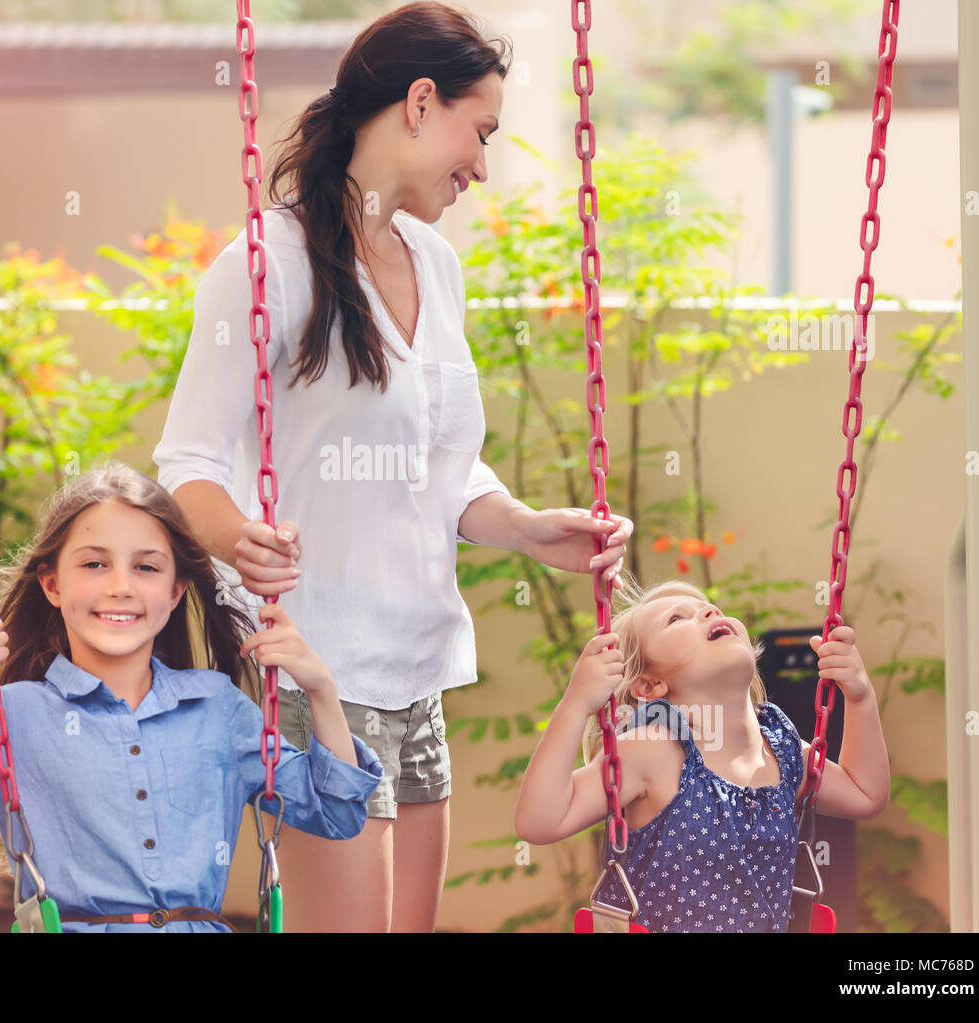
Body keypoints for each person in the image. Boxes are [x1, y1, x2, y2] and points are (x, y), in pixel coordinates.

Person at [152, 1, 632, 932]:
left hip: (417, 667)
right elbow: (190, 463)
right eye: (479, 131)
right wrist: (239, 540)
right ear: (420, 102)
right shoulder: (268, 262)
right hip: (318, 668)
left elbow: (444, 467)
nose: (482, 165)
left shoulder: (436, 263)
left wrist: (531, 529)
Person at [0, 461, 384, 932]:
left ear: (174, 592)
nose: (120, 585)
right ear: (53, 585)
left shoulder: (217, 710)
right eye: (95, 563)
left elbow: (337, 812)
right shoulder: (17, 717)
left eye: (145, 567)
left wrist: (321, 690)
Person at [514, 577, 891, 932]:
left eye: (710, 607)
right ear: (650, 684)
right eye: (677, 618)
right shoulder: (653, 750)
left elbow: (865, 794)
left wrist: (860, 697)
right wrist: (576, 705)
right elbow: (539, 822)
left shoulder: (781, 749)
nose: (709, 612)